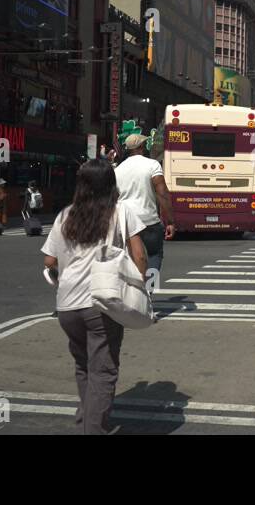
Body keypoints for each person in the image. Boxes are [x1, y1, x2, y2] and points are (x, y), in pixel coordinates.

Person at [42, 159, 149, 435]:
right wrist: (140, 285)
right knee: (103, 371)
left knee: (84, 367)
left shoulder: (66, 215)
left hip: (67, 305)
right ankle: (93, 430)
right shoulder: (121, 211)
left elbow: (49, 259)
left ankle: (87, 422)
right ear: (111, 185)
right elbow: (140, 255)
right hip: (102, 302)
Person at [114, 133, 175, 277]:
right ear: (141, 146)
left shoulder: (117, 170)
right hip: (149, 221)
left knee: (129, 258)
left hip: (126, 222)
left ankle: (133, 292)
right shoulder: (152, 165)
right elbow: (162, 193)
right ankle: (149, 289)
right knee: (154, 255)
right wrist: (170, 221)